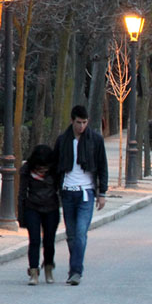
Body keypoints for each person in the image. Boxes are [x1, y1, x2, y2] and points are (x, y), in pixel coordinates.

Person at [54, 105, 109, 285]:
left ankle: (76, 271)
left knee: (80, 233)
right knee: (70, 235)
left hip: (86, 193)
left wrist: (102, 193)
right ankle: (75, 266)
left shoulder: (95, 140)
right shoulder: (63, 141)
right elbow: (55, 168)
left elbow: (102, 167)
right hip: (68, 193)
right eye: (78, 122)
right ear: (72, 121)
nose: (81, 126)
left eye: (85, 122)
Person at [18, 144, 60, 285]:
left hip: (51, 208)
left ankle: (48, 268)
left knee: (49, 241)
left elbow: (60, 189)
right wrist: (21, 216)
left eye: (45, 167)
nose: (42, 170)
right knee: (34, 240)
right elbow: (22, 194)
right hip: (32, 207)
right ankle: (33, 271)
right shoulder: (26, 170)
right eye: (39, 167)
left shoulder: (55, 171)